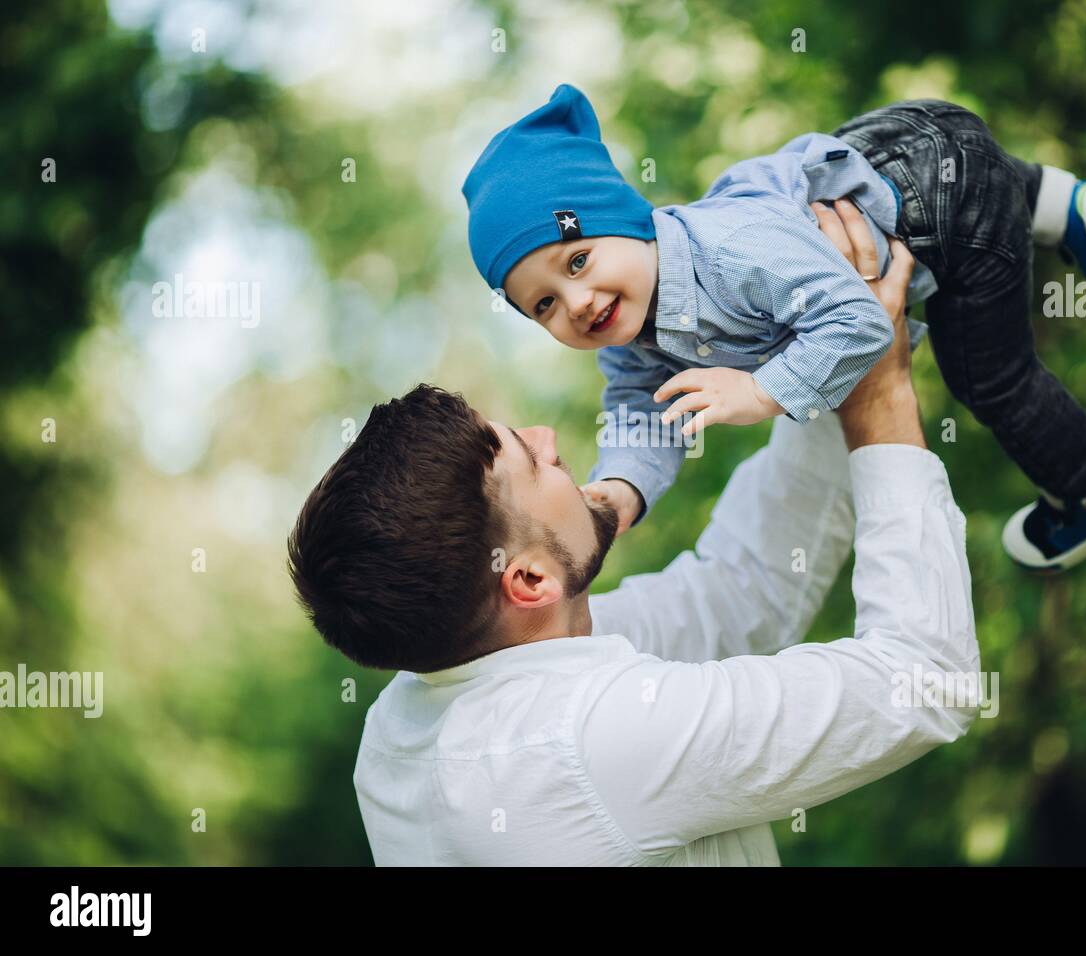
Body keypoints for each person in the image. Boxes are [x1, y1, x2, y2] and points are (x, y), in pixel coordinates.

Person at [287, 204, 981, 865]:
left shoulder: (407, 718)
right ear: (528, 580)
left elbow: (738, 596)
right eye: (531, 459)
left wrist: (822, 361)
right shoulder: (591, 741)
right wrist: (881, 389)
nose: (550, 440)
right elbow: (923, 681)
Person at [461, 85, 1086, 572]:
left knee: (991, 378)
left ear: (626, 216)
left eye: (578, 261)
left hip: (943, 203)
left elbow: (859, 319)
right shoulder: (636, 338)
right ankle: (1080, 207)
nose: (576, 302)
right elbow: (643, 415)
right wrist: (620, 489)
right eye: (543, 305)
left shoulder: (729, 250)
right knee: (917, 172)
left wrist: (761, 392)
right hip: (913, 145)